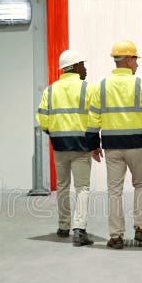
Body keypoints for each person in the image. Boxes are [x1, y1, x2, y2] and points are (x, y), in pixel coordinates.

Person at [86, 40, 142, 249]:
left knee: (114, 191)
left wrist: (94, 144)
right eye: (135, 59)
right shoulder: (141, 85)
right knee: (141, 185)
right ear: (128, 60)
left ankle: (116, 236)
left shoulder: (101, 86)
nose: (137, 63)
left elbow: (93, 118)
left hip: (112, 148)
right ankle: (141, 230)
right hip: (137, 145)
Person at [36, 49, 95, 246]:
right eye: (83, 65)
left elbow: (42, 119)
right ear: (75, 66)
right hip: (81, 146)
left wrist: (55, 133)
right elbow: (95, 118)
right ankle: (79, 230)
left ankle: (63, 227)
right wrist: (94, 142)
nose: (85, 69)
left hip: (60, 146)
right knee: (82, 187)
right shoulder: (88, 88)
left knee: (62, 186)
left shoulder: (50, 90)